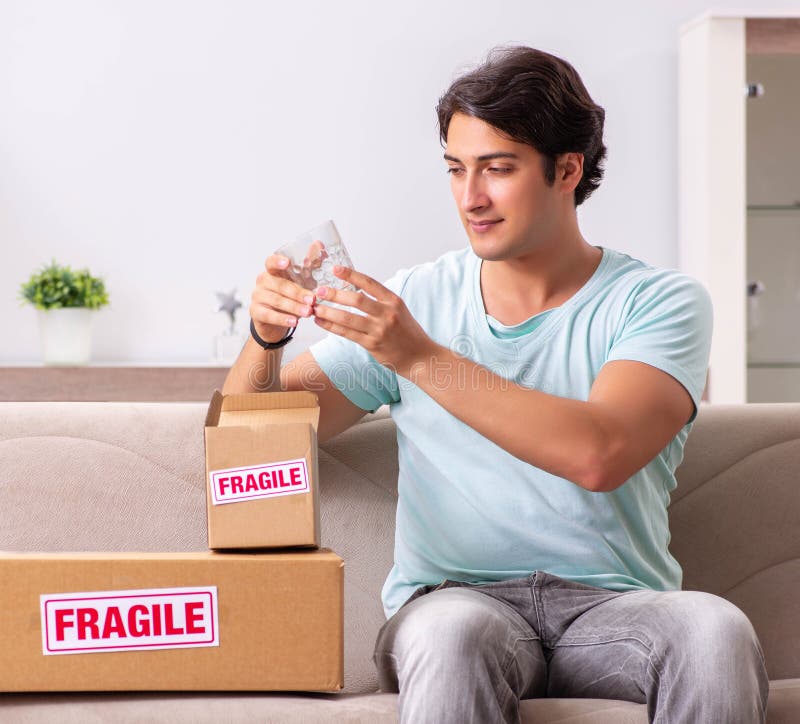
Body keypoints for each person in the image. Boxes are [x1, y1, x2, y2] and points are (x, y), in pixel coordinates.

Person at [223, 46, 768, 724]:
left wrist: (418, 358)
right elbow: (250, 447)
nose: (470, 197)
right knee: (454, 636)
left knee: (713, 631)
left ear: (566, 170)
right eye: (456, 169)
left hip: (613, 610)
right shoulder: (417, 298)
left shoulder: (657, 302)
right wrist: (265, 338)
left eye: (497, 169)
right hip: (454, 604)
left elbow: (601, 452)